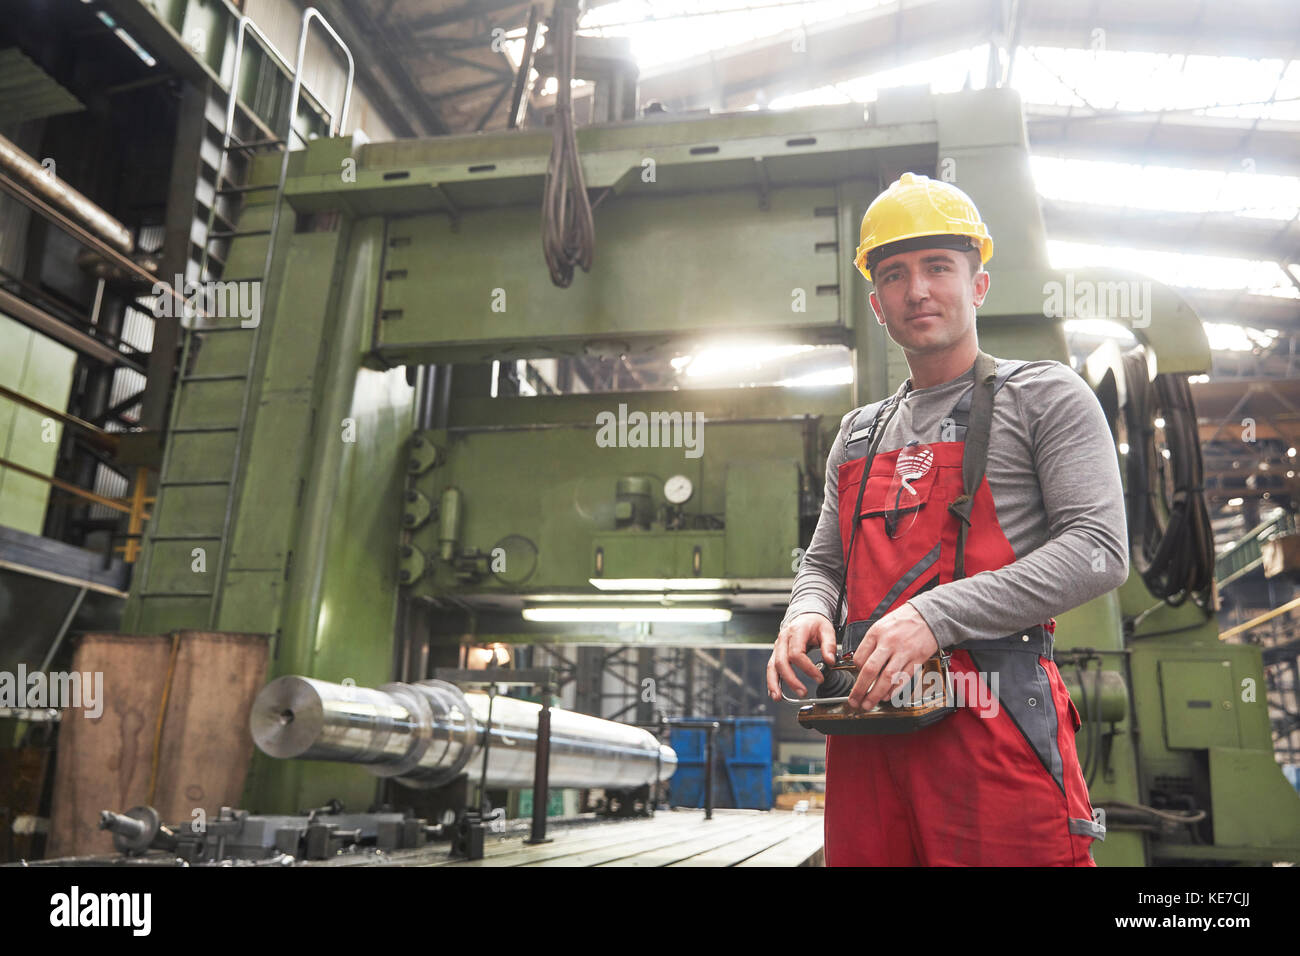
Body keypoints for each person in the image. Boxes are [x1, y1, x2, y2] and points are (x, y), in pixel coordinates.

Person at [765, 172, 1128, 866]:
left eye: (939, 267)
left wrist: (935, 616)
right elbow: (823, 564)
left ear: (978, 285)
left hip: (994, 724)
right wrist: (804, 612)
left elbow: (1098, 549)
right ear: (877, 305)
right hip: (867, 733)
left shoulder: (1045, 397)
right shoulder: (860, 432)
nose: (918, 290)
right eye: (896, 275)